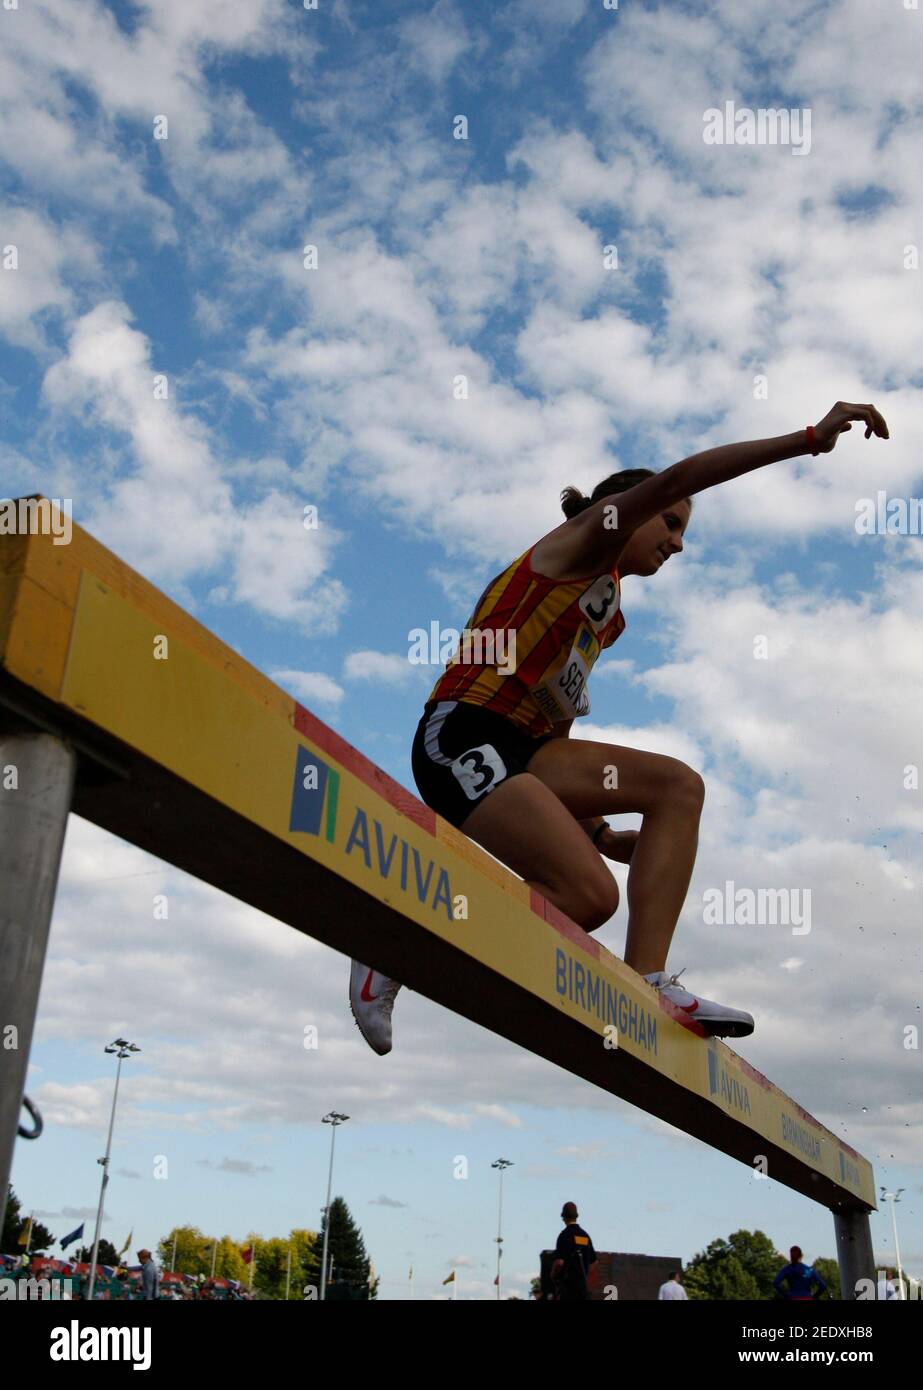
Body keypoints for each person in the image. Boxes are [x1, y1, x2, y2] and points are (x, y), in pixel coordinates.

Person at [349, 402, 889, 1054]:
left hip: (526, 750)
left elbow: (556, 733)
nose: (678, 542)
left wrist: (600, 830)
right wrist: (806, 440)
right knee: (589, 893)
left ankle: (650, 978)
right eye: (670, 523)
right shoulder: (585, 540)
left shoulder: (605, 614)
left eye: (682, 530)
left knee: (663, 804)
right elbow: (670, 481)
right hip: (461, 734)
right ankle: (392, 946)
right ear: (627, 509)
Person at [550, 1202, 597, 1301]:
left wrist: (553, 1276)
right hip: (583, 1290)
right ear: (576, 1216)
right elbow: (594, 1263)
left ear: (564, 1217)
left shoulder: (564, 1235)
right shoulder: (585, 1236)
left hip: (568, 1290)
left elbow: (559, 1263)